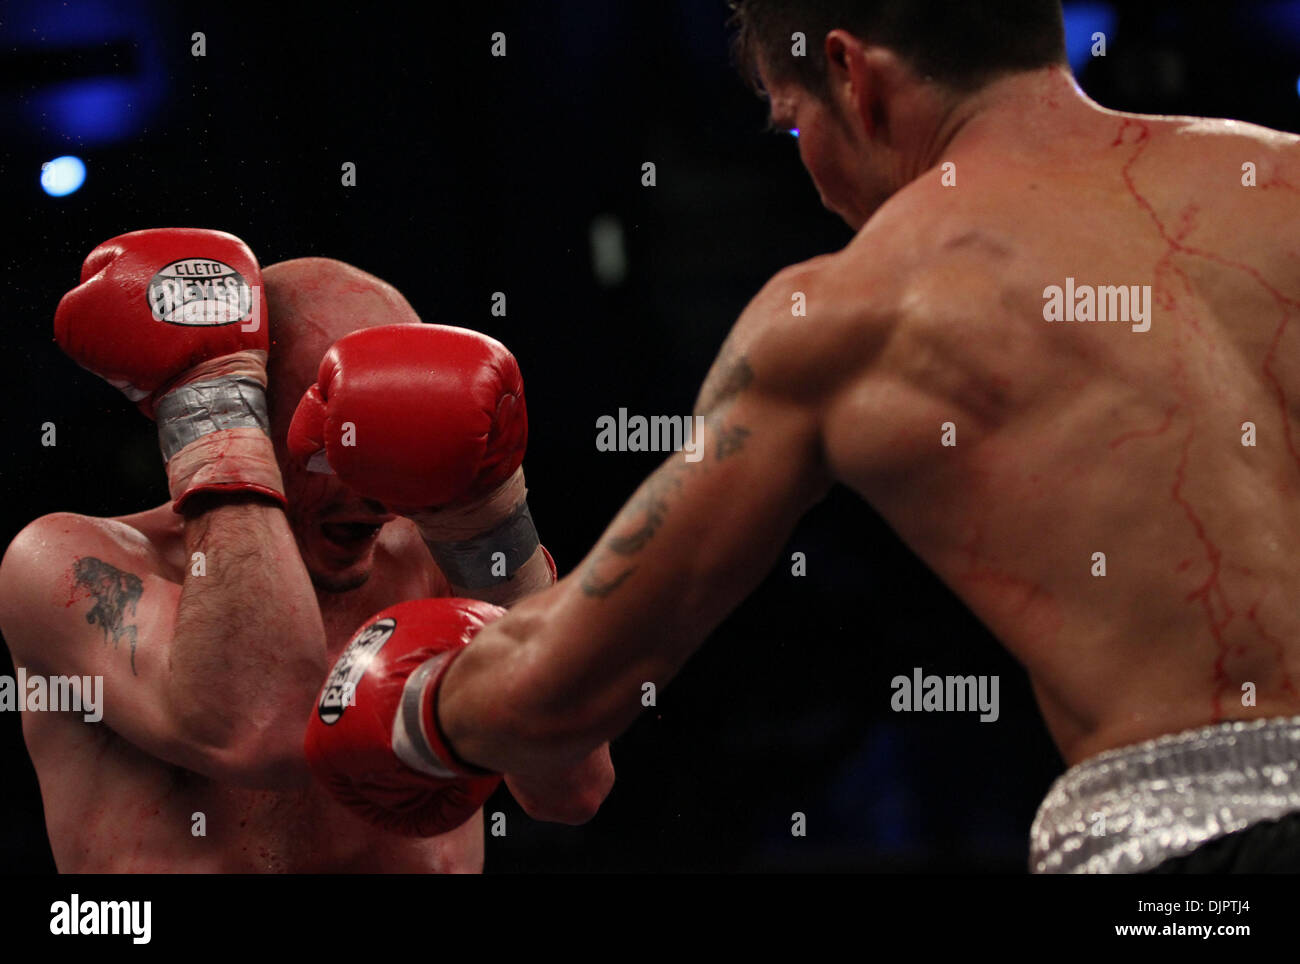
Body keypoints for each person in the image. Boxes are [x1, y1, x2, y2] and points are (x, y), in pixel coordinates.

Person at [303, 0, 1300, 873]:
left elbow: (561, 694)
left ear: (849, 73)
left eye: (792, 129)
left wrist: (414, 700)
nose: (815, 183)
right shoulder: (1280, 177)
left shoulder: (847, 313)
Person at [0, 229, 612, 872]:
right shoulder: (70, 566)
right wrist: (209, 410)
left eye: (386, 444)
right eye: (326, 448)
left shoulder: (438, 561)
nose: (376, 499)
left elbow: (572, 788)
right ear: (250, 414)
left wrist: (496, 525)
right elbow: (261, 728)